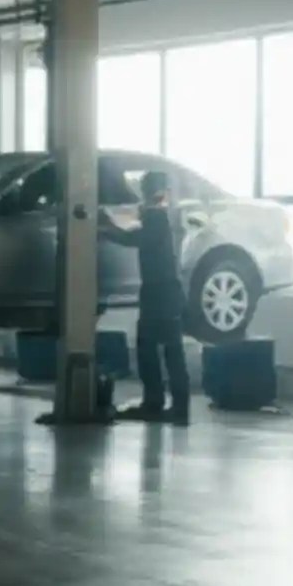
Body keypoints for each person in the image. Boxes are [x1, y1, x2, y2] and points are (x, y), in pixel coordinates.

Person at [99, 172, 191, 425]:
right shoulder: (163, 215)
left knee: (152, 349)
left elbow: (134, 238)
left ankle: (157, 403)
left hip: (160, 293)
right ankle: (173, 406)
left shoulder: (157, 217)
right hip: (165, 292)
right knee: (165, 350)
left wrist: (107, 228)